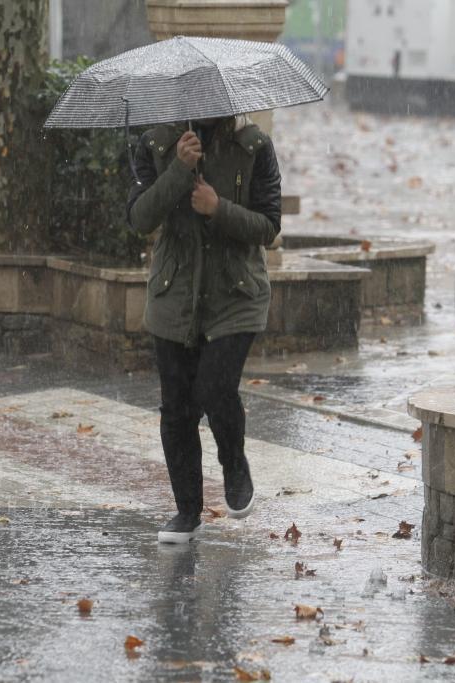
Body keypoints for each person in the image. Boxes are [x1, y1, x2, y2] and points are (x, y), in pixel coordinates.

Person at [126, 113, 282, 544]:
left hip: (236, 294)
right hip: (174, 295)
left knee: (214, 388)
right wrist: (178, 169)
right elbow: (139, 218)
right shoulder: (155, 145)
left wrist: (219, 209)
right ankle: (186, 511)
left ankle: (234, 464)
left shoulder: (254, 147)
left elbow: (269, 227)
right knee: (177, 407)